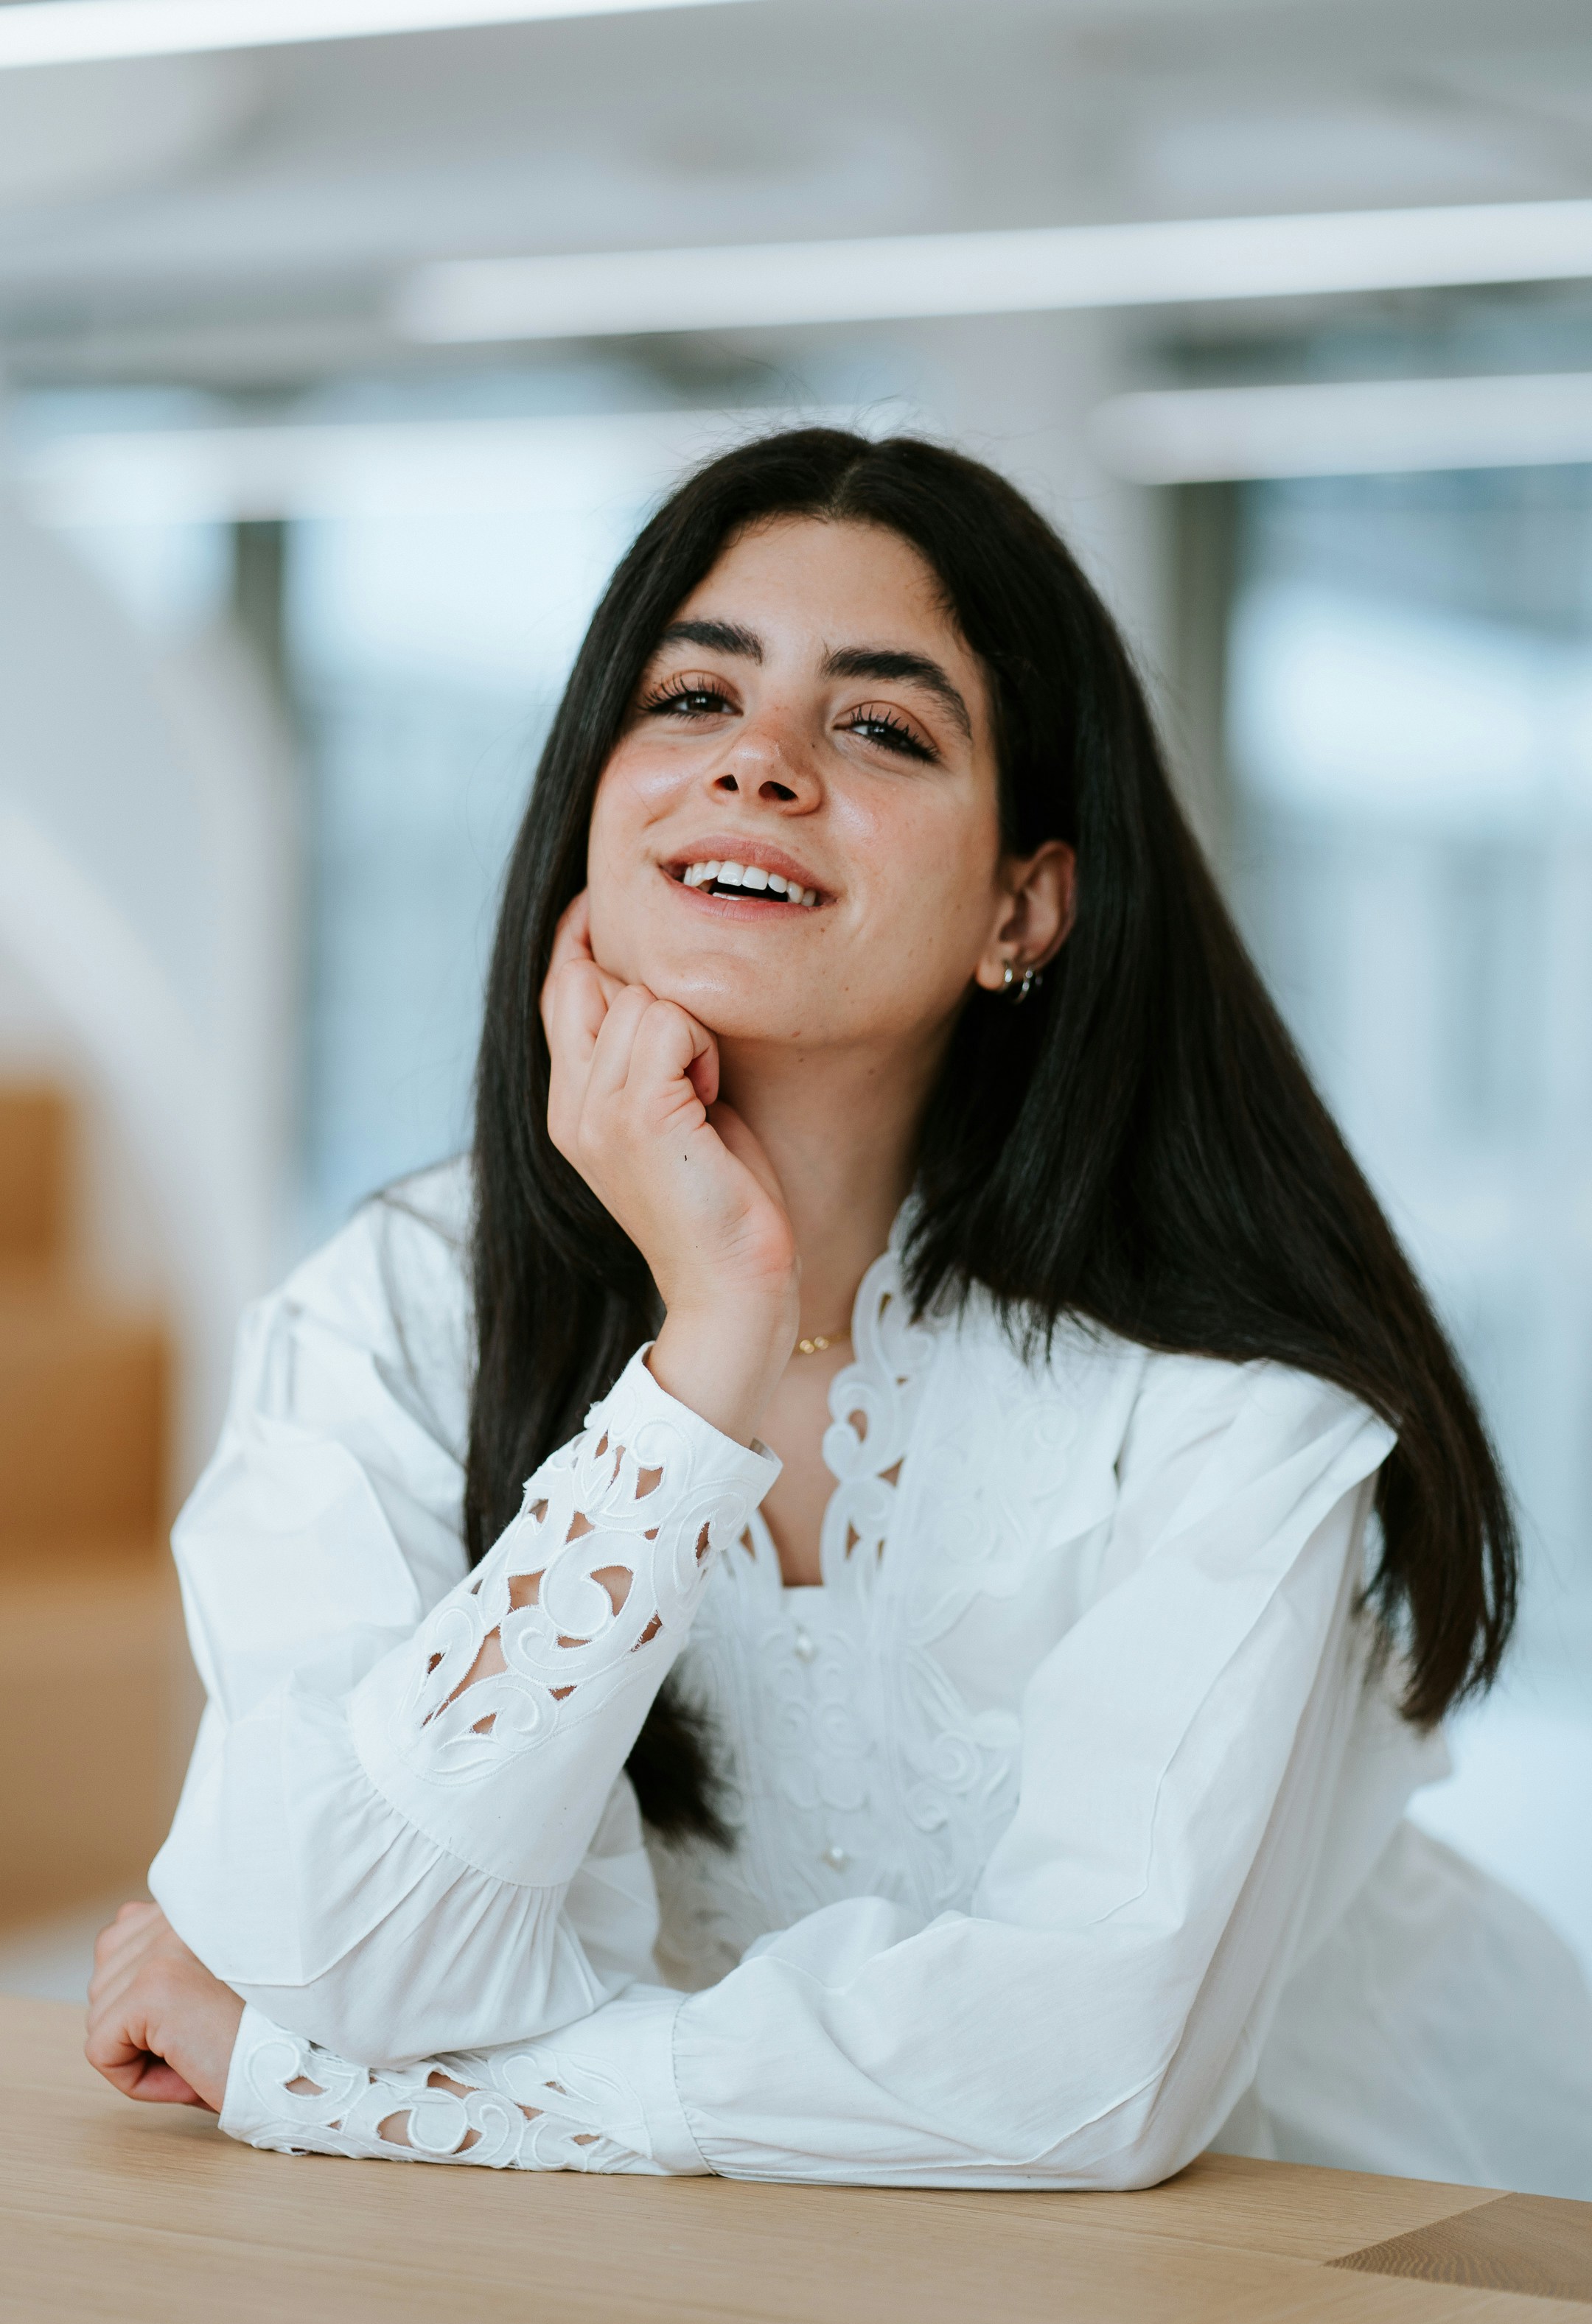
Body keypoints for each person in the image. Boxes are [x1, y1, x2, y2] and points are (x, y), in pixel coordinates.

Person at [86, 429, 1592, 2193]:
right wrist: (708, 1342)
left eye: (879, 726)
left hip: (1373, 2262)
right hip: (742, 2289)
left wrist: (347, 2093)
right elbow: (331, 1955)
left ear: (1024, 903)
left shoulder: (1221, 1397)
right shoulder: (394, 1309)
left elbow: (1094, 2081)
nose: (760, 765)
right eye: (690, 698)